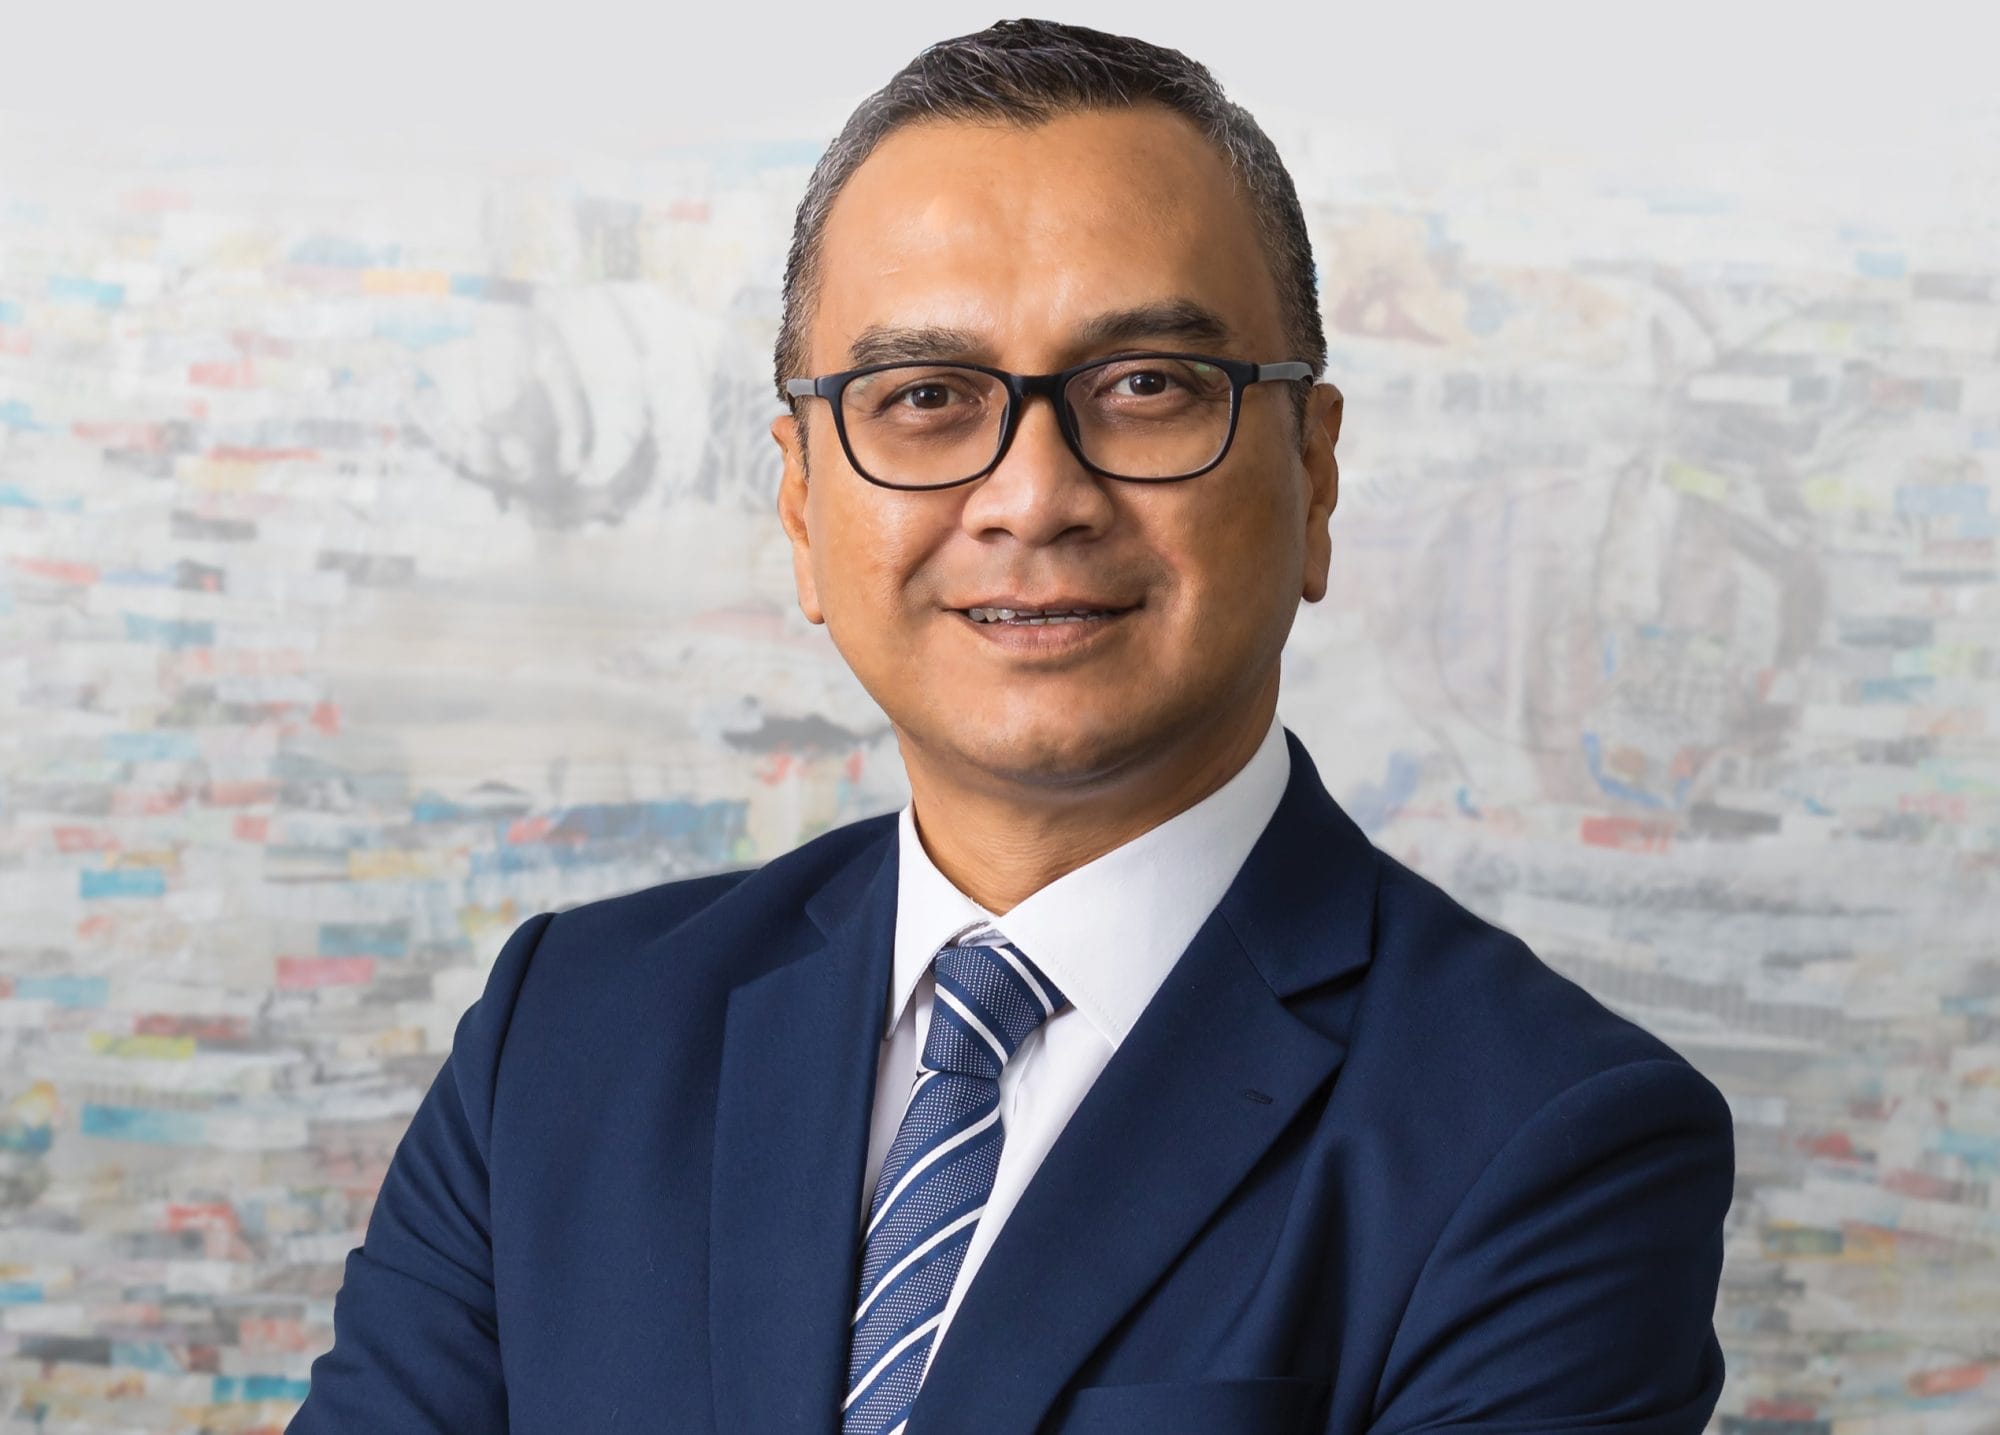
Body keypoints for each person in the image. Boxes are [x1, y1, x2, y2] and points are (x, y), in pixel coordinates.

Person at [289, 18, 1734, 1435]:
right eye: (924, 397)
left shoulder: (1552, 1138)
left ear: (1314, 472)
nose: (1034, 497)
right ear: (801, 505)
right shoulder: (563, 1040)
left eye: (1146, 387)